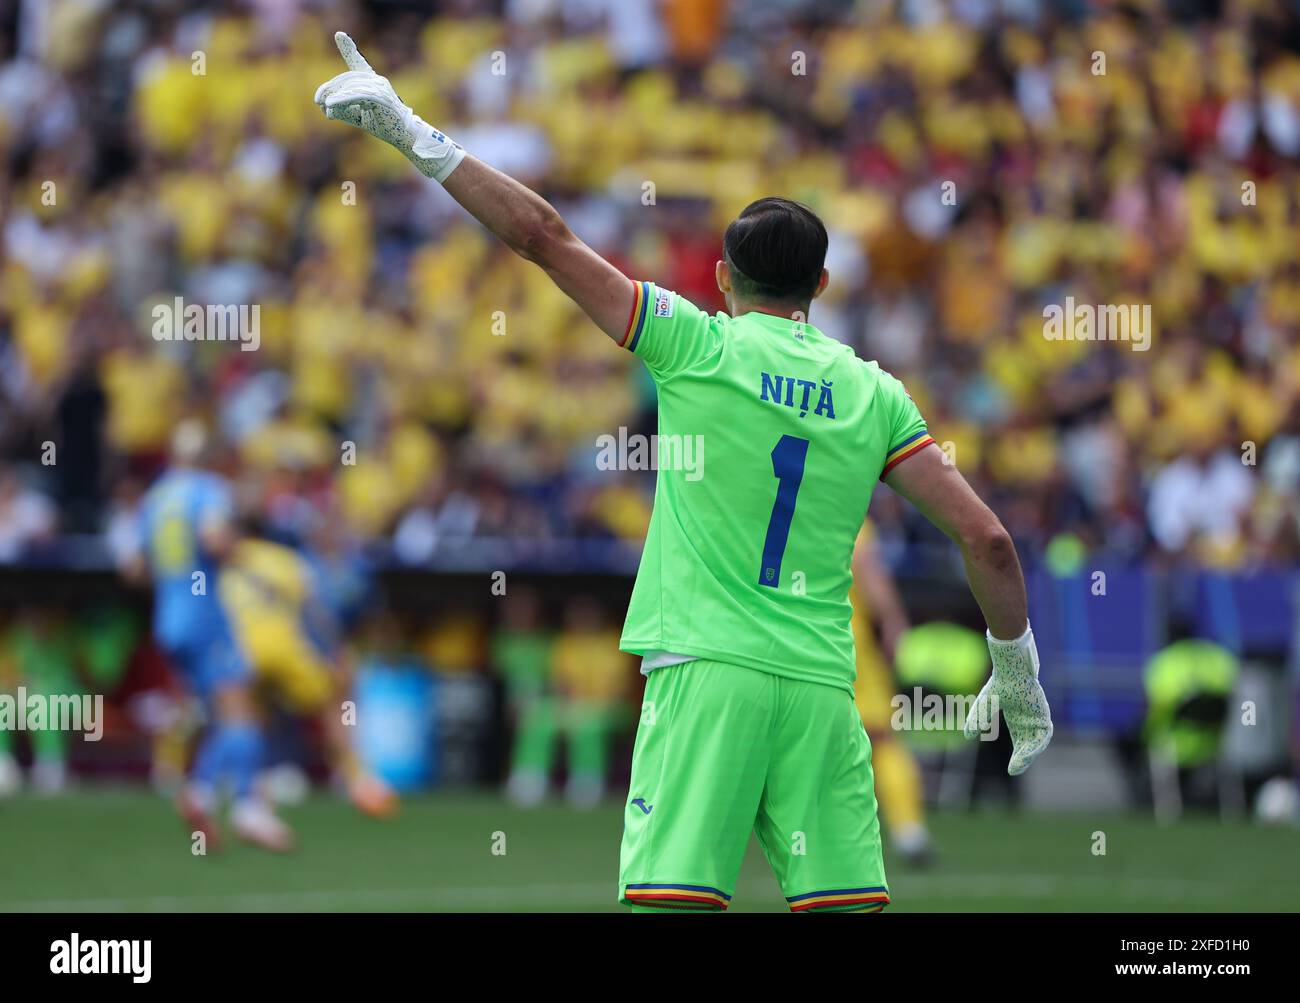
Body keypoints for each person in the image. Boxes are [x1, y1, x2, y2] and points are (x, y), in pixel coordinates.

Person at [315, 33, 1052, 912]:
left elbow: (543, 238)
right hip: (822, 690)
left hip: (705, 672)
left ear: (720, 277)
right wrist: (1016, 672)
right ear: (820, 282)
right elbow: (989, 539)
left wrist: (411, 132)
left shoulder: (694, 343)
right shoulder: (876, 394)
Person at [128, 421, 293, 852]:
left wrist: (174, 582)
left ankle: (229, 802)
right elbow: (215, 539)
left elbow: (134, 568)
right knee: (241, 713)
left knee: (219, 713)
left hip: (168, 619)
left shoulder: (156, 496)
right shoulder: (210, 488)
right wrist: (247, 556)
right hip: (204, 615)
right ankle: (222, 800)